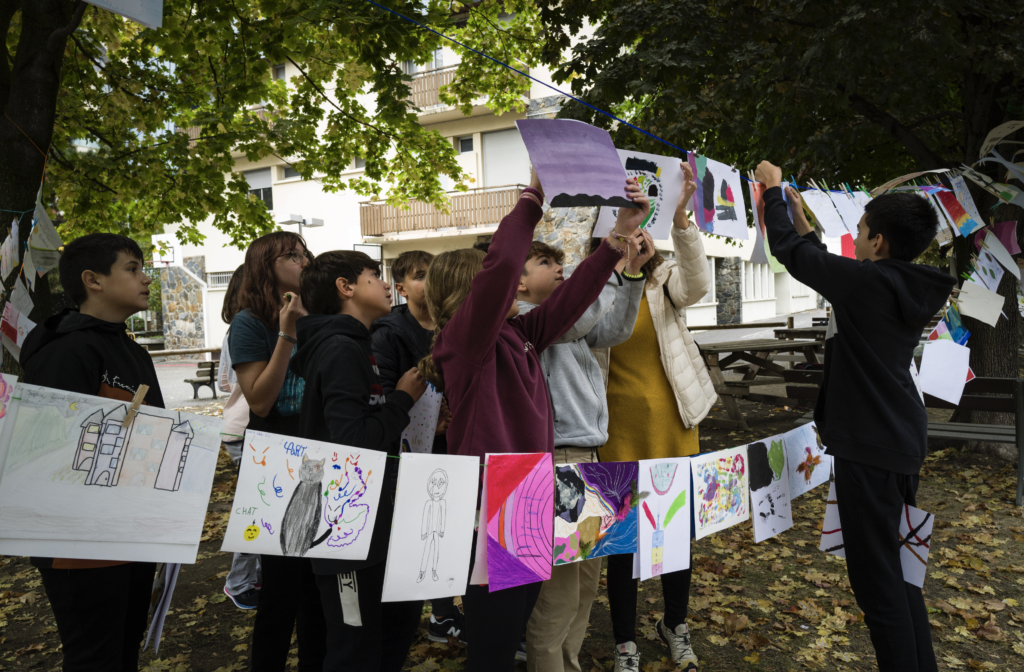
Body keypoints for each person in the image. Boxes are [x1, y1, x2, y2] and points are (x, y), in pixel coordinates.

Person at [418, 171, 650, 672]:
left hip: (528, 491)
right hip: (494, 496)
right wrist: (533, 198)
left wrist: (618, 237)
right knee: (495, 643)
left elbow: (571, 300)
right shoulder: (466, 342)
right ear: (472, 290)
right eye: (492, 280)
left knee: (514, 622)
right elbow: (502, 268)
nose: (509, 285)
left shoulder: (517, 334)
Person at [754, 160, 953, 672]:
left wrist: (773, 192)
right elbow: (819, 259)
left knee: (878, 586)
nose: (857, 240)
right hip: (899, 442)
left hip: (871, 448)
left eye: (862, 232)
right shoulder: (899, 285)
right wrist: (801, 217)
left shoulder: (867, 284)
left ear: (880, 242)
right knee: (902, 575)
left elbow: (792, 255)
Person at [21, 233, 165, 671]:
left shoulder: (133, 350)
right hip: (77, 541)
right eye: (132, 268)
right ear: (92, 280)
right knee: (94, 659)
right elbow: (46, 453)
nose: (146, 279)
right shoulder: (66, 350)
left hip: (130, 531)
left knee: (123, 653)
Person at [596, 162, 716, 672]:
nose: (634, 239)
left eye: (640, 230)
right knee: (622, 544)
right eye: (624, 230)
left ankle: (674, 624)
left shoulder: (663, 280)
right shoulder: (593, 287)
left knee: (670, 540)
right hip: (615, 432)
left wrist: (683, 220)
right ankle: (625, 640)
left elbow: (698, 286)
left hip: (673, 428)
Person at [290, 250, 428, 672]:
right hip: (344, 534)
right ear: (345, 287)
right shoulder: (339, 349)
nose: (387, 284)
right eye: (374, 275)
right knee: (355, 644)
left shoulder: (355, 343)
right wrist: (403, 398)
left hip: (369, 523)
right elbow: (353, 443)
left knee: (389, 631)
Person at [518, 237, 648, 672]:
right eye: (544, 262)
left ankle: (567, 663)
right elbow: (579, 319)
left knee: (585, 586)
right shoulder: (528, 320)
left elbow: (613, 330)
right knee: (557, 596)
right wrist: (613, 268)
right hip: (557, 464)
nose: (559, 269)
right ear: (517, 283)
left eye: (560, 261)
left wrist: (631, 276)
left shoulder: (563, 321)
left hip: (589, 458)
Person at [229, 231, 325, 672]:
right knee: (281, 589)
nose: (303, 261)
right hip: (275, 466)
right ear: (266, 266)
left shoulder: (322, 314)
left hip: (322, 461)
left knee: (317, 591)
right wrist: (287, 334)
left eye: (306, 253)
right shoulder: (251, 323)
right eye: (292, 255)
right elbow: (262, 401)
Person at [370, 250, 461, 643]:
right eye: (420, 275)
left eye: (433, 273)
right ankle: (433, 613)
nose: (429, 281)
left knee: (450, 530)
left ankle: (445, 609)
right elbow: (385, 393)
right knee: (421, 535)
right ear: (401, 288)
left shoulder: (453, 324)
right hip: (408, 452)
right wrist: (422, 415)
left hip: (451, 448)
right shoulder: (388, 332)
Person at [218, 264, 261, 610]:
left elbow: (223, 383)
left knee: (260, 506)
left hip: (237, 427)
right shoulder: (245, 328)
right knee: (256, 509)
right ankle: (239, 580)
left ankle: (251, 575)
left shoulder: (235, 330)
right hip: (244, 431)